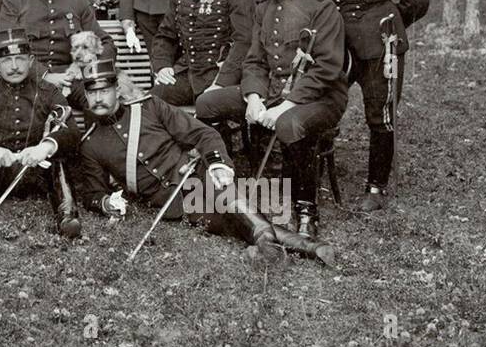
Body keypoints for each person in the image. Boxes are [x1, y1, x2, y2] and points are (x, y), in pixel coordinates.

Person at [76, 59, 333, 264]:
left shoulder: (149, 107)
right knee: (231, 219)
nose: (98, 99)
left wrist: (216, 164)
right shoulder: (90, 144)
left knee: (226, 195)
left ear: (117, 90)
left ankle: (268, 243)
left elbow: (203, 134)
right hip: (174, 203)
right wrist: (106, 202)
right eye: (92, 93)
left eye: (104, 91)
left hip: (197, 176)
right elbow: (92, 193)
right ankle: (309, 246)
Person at [197, 0, 347, 242]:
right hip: (271, 91)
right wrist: (253, 97)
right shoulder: (264, 7)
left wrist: (286, 106)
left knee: (291, 124)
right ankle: (227, 187)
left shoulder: (321, 8)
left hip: (319, 97)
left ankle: (305, 210)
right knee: (207, 104)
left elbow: (327, 69)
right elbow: (254, 61)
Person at [307, 0, 429, 211]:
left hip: (379, 46)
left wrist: (387, 22)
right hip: (337, 44)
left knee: (380, 114)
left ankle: (376, 188)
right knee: (319, 102)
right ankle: (314, 171)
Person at [0, 28, 82, 239]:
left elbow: (72, 130)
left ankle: (67, 216)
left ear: (31, 61)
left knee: (57, 152)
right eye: (7, 60)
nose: (14, 67)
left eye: (20, 59)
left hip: (37, 174)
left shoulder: (48, 91)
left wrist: (45, 147)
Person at [152, 0, 253, 119]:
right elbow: (165, 35)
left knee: (207, 103)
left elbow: (243, 43)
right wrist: (162, 65)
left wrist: (222, 82)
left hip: (220, 75)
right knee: (154, 100)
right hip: (187, 74)